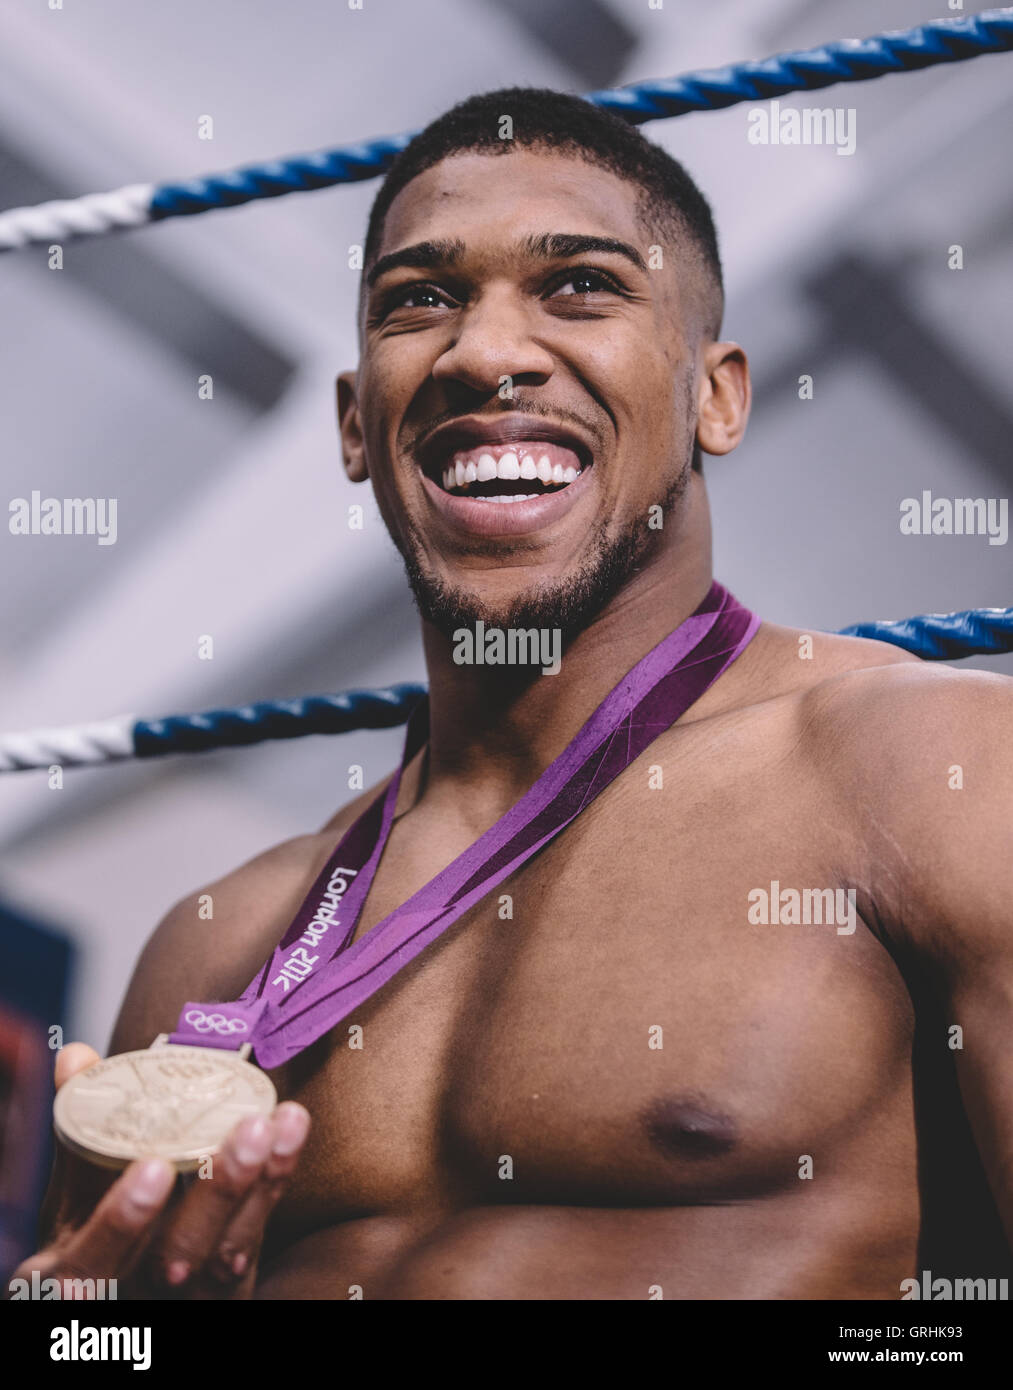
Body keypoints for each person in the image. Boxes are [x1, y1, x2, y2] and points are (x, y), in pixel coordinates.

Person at [13, 89, 1012, 1301]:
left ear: (717, 396)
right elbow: (97, 1340)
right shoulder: (211, 943)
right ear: (351, 423)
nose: (484, 353)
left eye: (579, 286)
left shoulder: (929, 770)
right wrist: (71, 1325)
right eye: (419, 300)